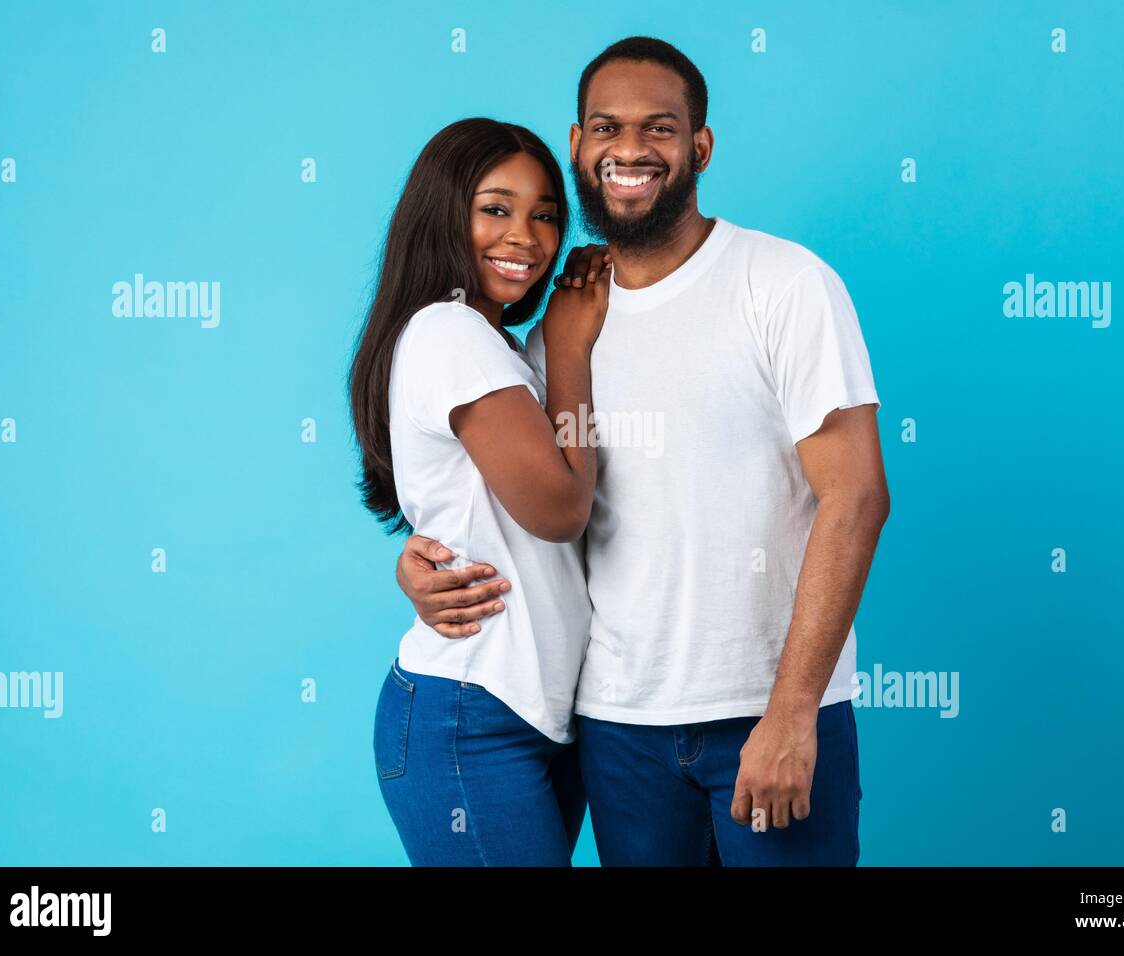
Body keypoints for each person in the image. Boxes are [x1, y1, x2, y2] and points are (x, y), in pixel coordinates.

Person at [397, 38, 891, 866]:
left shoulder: (785, 283)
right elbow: (513, 498)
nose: (629, 148)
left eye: (658, 128)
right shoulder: (559, 330)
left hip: (766, 713)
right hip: (617, 726)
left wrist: (794, 709)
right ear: (580, 145)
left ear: (698, 147)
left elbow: (858, 497)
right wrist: (418, 563)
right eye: (606, 128)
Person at [347, 117, 612, 865]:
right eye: (496, 208)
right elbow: (560, 510)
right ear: (444, 214)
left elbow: (474, 509)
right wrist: (568, 347)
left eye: (546, 213)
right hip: (471, 715)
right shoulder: (451, 332)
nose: (525, 235)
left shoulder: (495, 346)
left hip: (528, 715)